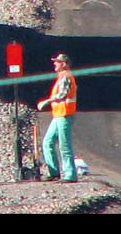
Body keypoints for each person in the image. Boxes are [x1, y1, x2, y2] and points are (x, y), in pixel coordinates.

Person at [37, 52, 78, 182]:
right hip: (59, 115)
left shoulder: (66, 77)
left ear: (64, 64)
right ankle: (53, 172)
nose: (54, 64)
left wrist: (47, 101)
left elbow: (63, 95)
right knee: (47, 142)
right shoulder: (62, 77)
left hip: (65, 115)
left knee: (65, 146)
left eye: (57, 62)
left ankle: (70, 175)